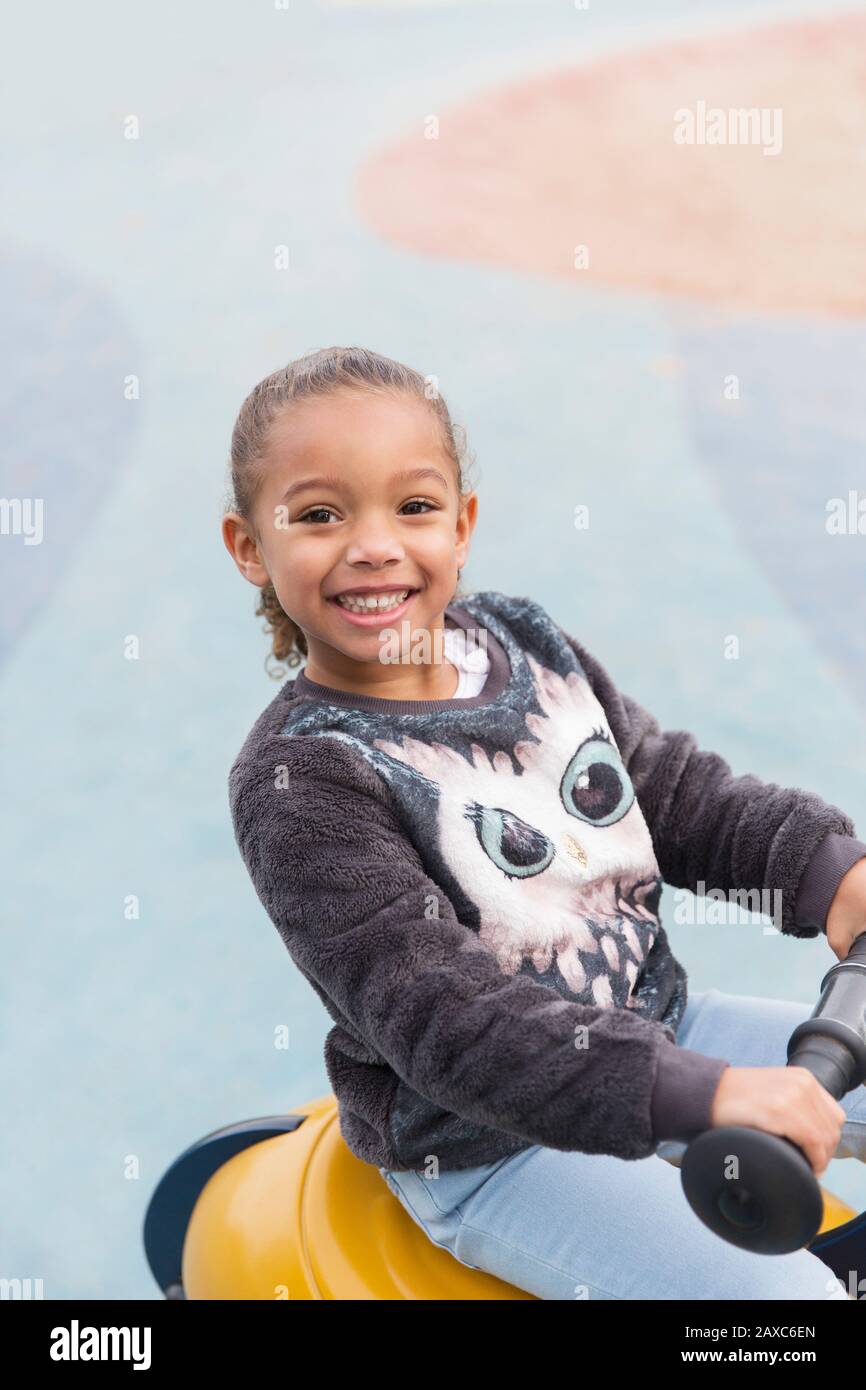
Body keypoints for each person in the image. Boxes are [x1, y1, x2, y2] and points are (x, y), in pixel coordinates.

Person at [222, 345, 866, 1300]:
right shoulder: (304, 781)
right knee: (787, 1310)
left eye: (414, 506)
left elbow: (674, 795)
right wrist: (709, 1092)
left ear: (463, 524)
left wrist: (827, 874)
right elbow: (444, 1021)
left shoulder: (521, 643)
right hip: (492, 1142)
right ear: (248, 548)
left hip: (662, 1026)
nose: (373, 545)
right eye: (320, 515)